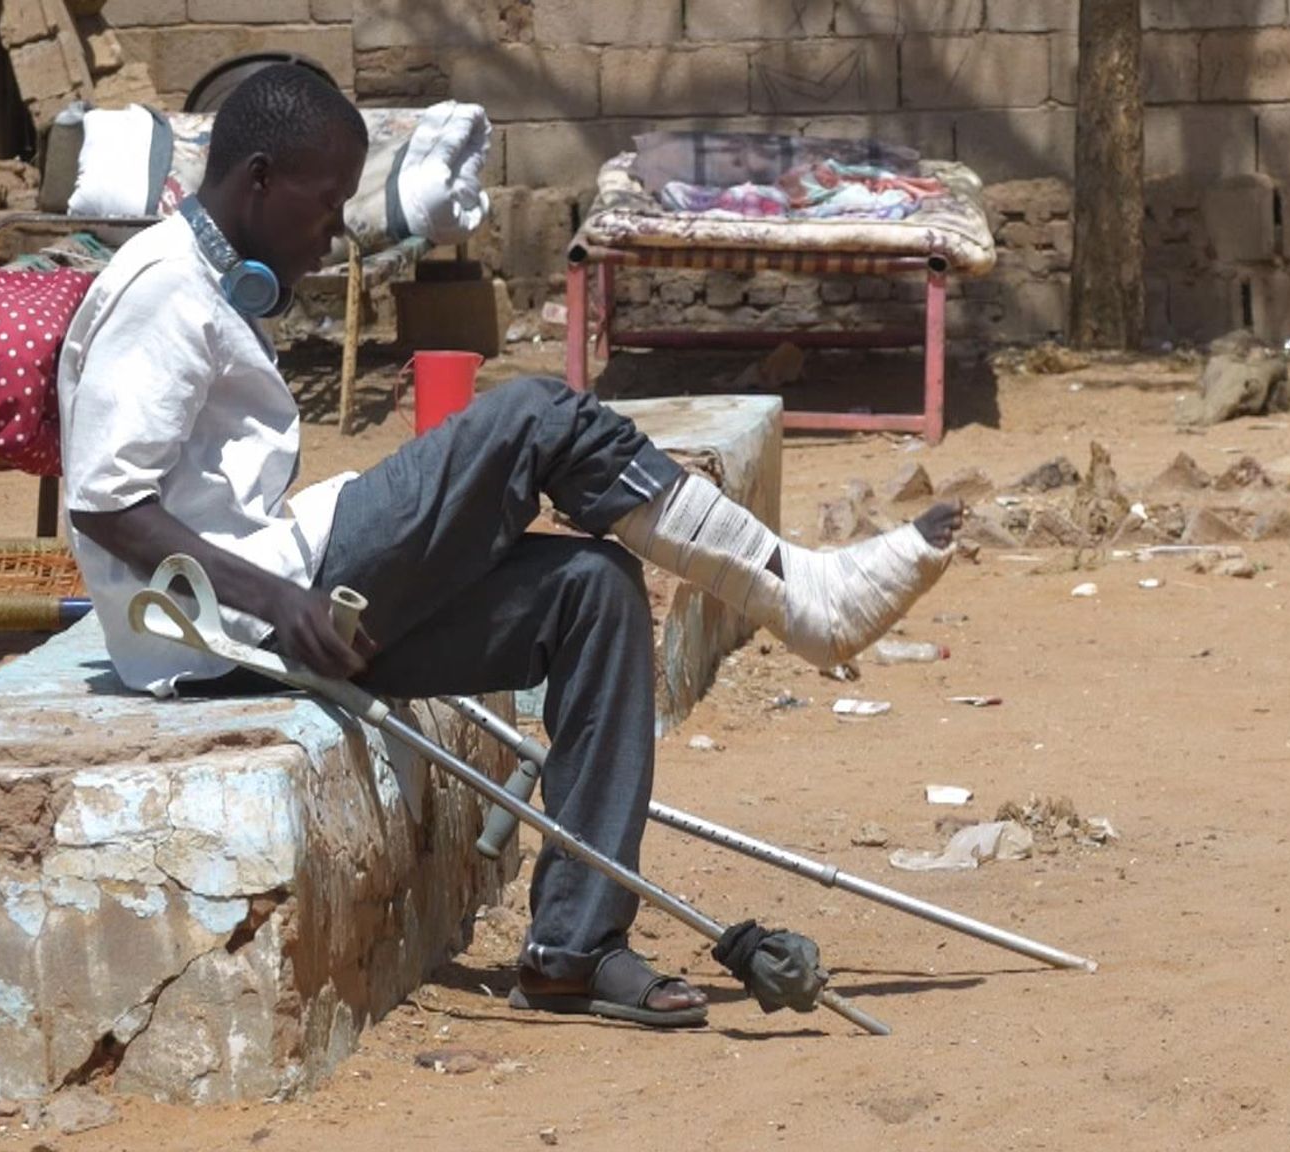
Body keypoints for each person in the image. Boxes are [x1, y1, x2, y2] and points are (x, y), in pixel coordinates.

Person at [56, 65, 960, 1029]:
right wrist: (284, 605)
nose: (334, 233)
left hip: (281, 590)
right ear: (260, 180)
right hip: (237, 622)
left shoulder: (211, 285)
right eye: (326, 206)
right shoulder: (161, 288)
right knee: (535, 416)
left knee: (594, 590)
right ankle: (801, 598)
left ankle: (573, 950)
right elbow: (107, 506)